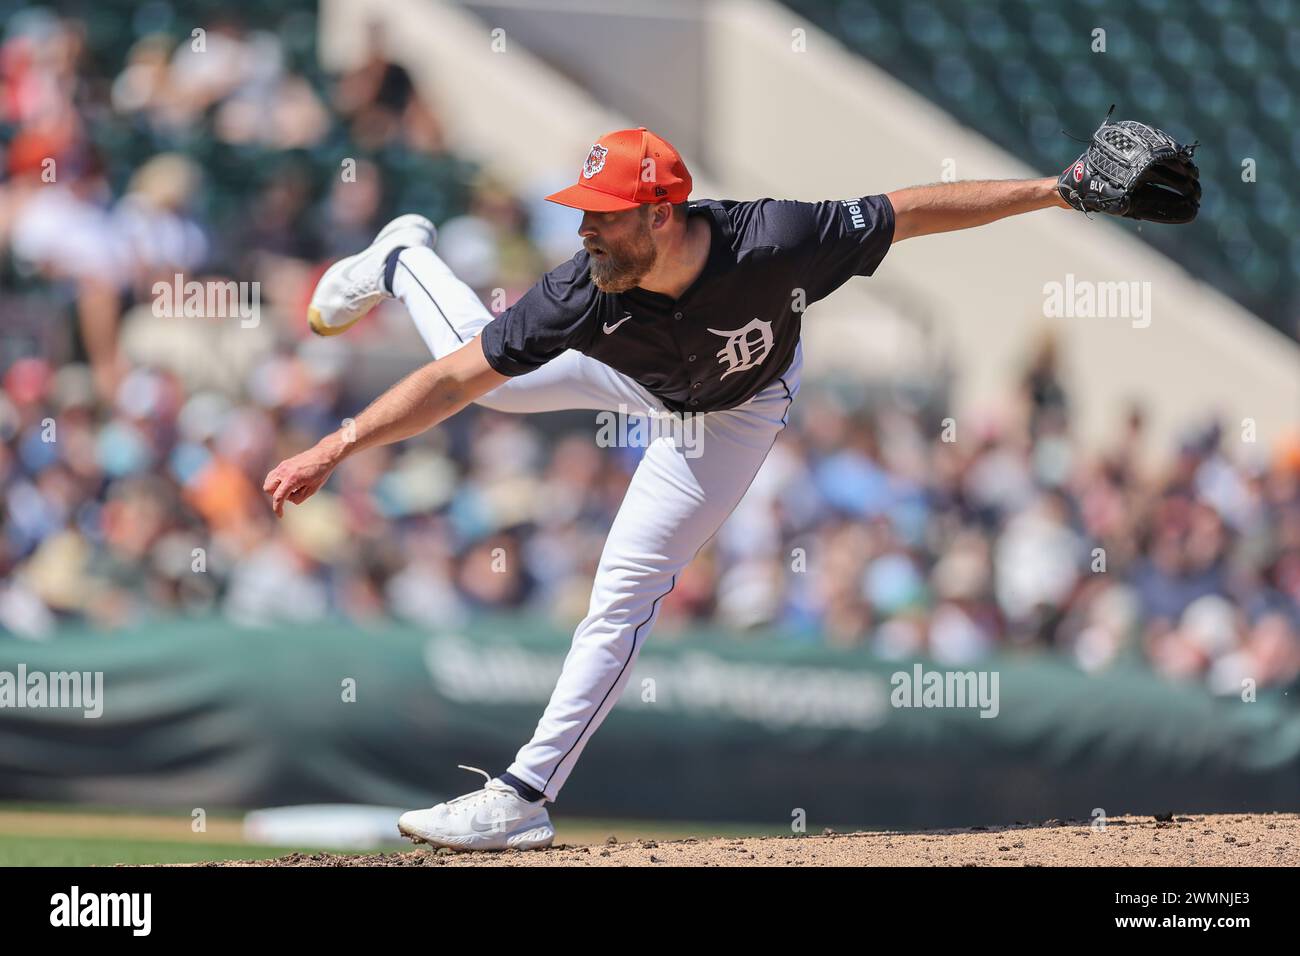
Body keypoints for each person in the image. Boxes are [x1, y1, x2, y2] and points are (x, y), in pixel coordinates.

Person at [262, 124, 1179, 851]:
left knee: (623, 593)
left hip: (732, 413)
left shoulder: (777, 239)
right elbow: (455, 380)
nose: (584, 229)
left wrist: (1055, 190)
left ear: (661, 214)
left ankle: (520, 797)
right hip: (633, 374)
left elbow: (914, 211)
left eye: (603, 214)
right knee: (491, 390)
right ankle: (401, 257)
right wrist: (339, 443)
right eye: (582, 213)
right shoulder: (580, 291)